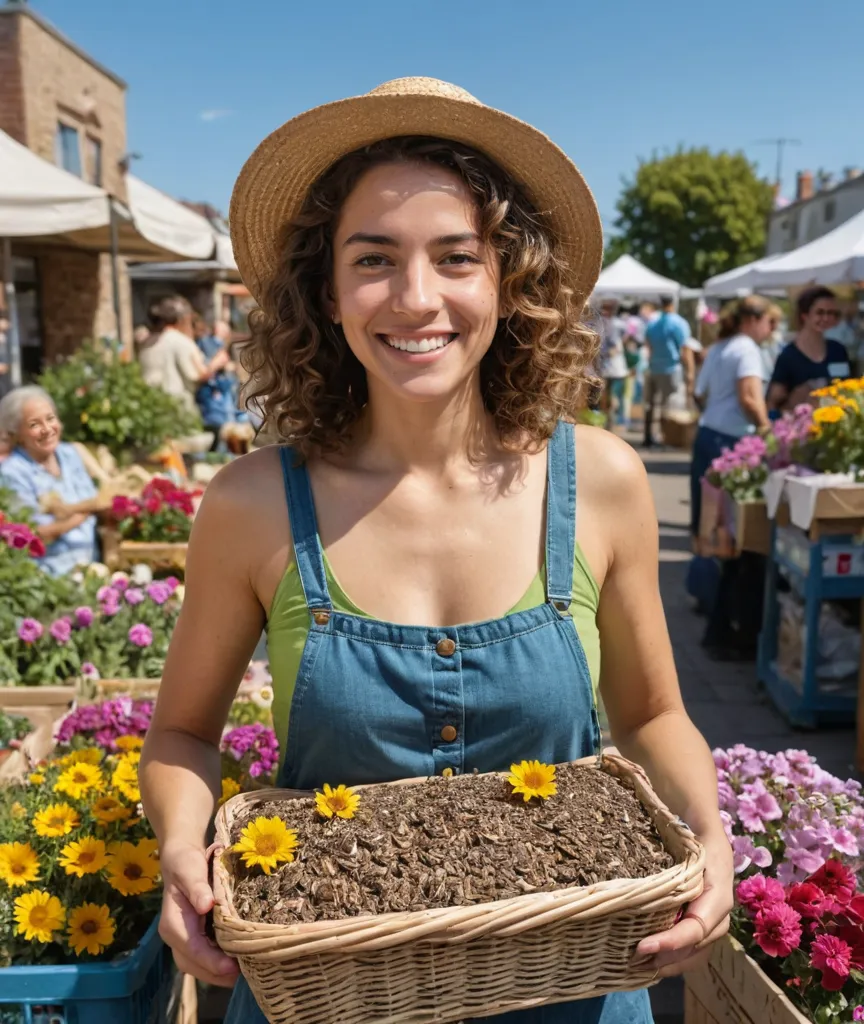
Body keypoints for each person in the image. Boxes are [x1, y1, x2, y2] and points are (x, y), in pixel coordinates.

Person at [140, 78, 732, 1024]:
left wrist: (710, 835)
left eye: (457, 257)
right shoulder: (254, 505)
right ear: (326, 294)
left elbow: (654, 712)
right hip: (324, 997)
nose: (416, 298)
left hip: (572, 993)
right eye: (374, 259)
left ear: (507, 281)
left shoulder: (604, 484)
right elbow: (180, 736)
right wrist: (180, 843)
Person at [689, 298, 773, 655]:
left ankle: (705, 597)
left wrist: (713, 418)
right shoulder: (747, 350)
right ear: (753, 320)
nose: (770, 330)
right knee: (730, 535)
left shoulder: (720, 346)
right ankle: (722, 625)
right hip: (732, 442)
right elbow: (749, 399)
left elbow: (698, 392)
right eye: (769, 322)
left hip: (708, 435)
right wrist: (768, 431)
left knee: (708, 526)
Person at [0, 385, 98, 574]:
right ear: (17, 434)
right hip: (52, 574)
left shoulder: (69, 454)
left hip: (93, 565)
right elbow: (35, 535)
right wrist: (85, 512)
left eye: (50, 419)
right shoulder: (12, 472)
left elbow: (96, 502)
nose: (47, 429)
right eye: (34, 424)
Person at [137, 296, 229, 414]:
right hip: (175, 408)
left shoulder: (147, 342)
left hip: (149, 405)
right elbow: (199, 375)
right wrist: (217, 362)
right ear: (182, 319)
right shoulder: (180, 342)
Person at [767, 287, 851, 412]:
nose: (826, 318)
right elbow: (772, 403)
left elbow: (849, 388)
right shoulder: (788, 356)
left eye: (832, 313)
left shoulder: (838, 350)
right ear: (804, 315)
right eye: (820, 312)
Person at [643, 296, 689, 447]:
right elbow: (684, 347)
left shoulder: (653, 322)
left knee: (650, 404)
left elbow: (648, 344)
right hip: (671, 368)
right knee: (668, 404)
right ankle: (666, 436)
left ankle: (648, 436)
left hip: (654, 366)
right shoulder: (678, 323)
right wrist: (690, 372)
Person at [193, 318, 237, 448]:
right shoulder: (207, 343)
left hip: (222, 389)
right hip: (214, 392)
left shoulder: (223, 344)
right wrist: (218, 363)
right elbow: (207, 368)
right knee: (222, 425)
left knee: (225, 424)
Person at [597, 298, 629, 428]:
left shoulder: (618, 324)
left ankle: (611, 420)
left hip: (614, 366)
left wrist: (613, 350)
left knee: (613, 395)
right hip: (603, 365)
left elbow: (619, 343)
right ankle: (606, 420)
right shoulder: (600, 323)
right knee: (604, 395)